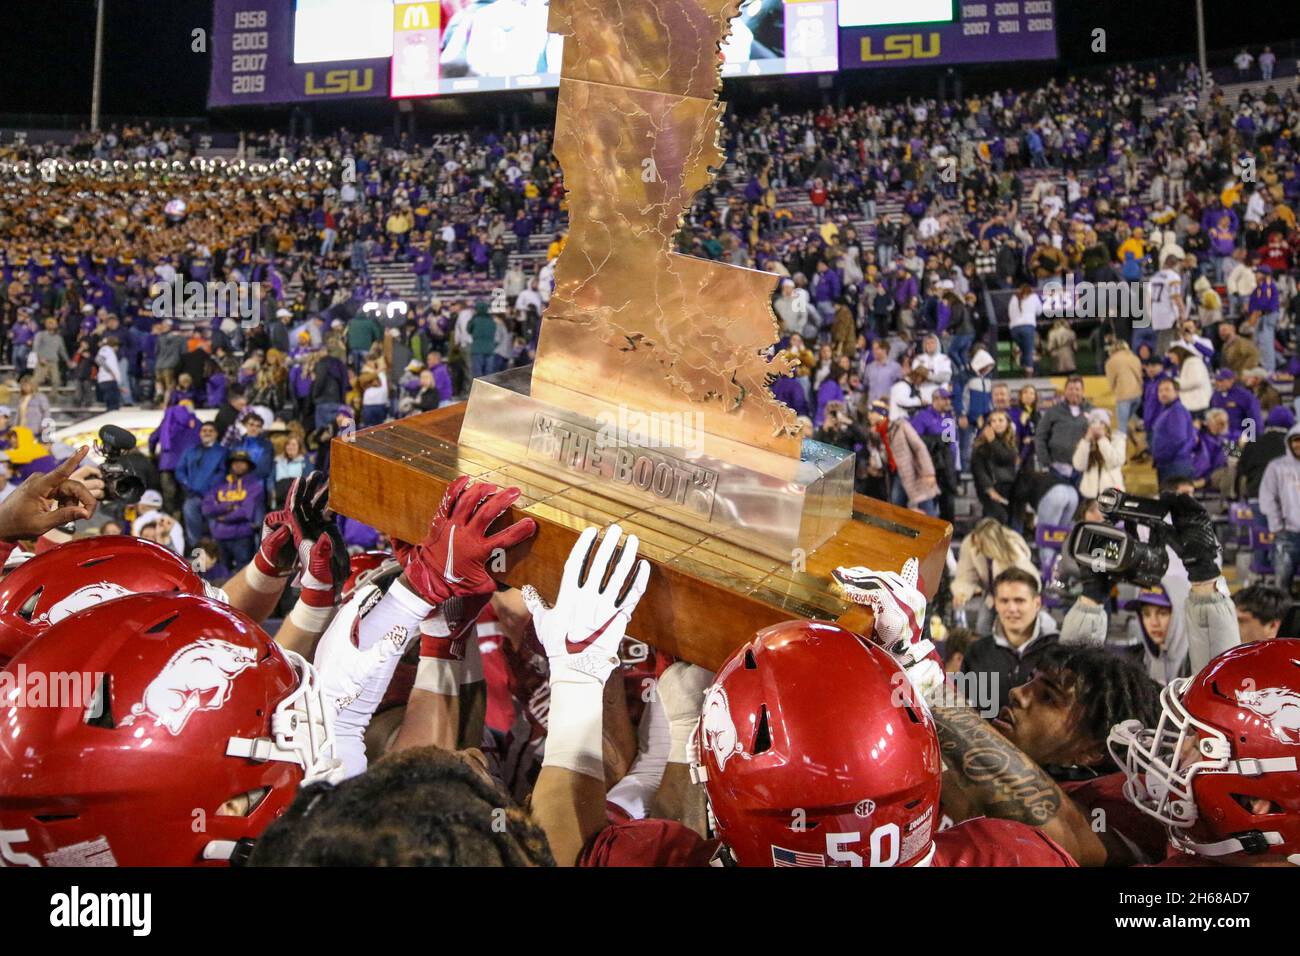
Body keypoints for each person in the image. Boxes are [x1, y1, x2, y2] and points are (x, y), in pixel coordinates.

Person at [951, 518, 1039, 635]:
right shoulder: (970, 544)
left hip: (1013, 597)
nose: (978, 548)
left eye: (981, 545)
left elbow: (1029, 581)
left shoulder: (1014, 551)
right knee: (982, 626)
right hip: (991, 595)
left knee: (1010, 631)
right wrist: (962, 592)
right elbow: (966, 574)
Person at [201, 450, 265, 570]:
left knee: (242, 575)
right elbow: (206, 508)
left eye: (242, 462)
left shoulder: (255, 486)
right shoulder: (220, 485)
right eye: (235, 462)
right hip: (219, 536)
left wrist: (221, 517)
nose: (238, 464)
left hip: (242, 536)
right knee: (222, 575)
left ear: (249, 465)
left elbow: (245, 512)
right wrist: (227, 506)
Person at [1258, 423, 1300, 592]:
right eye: (1295, 440)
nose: (1298, 444)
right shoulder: (1276, 466)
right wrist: (1276, 526)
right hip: (1286, 535)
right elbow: (1267, 497)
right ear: (1289, 443)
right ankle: (1281, 618)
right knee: (1281, 585)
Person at [176, 422, 228, 547]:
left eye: (210, 430)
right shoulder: (190, 451)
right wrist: (187, 484)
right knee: (192, 527)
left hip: (213, 497)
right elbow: (180, 470)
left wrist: (209, 489)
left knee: (215, 529)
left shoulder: (223, 452)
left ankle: (216, 554)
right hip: (192, 496)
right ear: (200, 433)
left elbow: (223, 473)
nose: (207, 433)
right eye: (204, 430)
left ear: (216, 434)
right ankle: (196, 553)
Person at [887, 407, 939, 516]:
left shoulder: (902, 426)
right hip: (900, 474)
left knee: (927, 511)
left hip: (916, 474)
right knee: (897, 509)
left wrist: (929, 472)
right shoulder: (887, 431)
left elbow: (920, 447)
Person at [970, 409, 1018, 522]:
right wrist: (990, 491)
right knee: (998, 517)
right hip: (989, 488)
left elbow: (1006, 458)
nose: (997, 423)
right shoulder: (980, 445)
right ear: (989, 424)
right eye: (994, 421)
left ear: (1007, 423)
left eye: (1001, 420)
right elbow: (978, 470)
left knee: (1008, 520)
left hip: (1008, 487)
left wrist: (993, 442)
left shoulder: (1011, 443)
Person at [1150, 377, 1196, 483]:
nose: (1163, 393)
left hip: (1175, 465)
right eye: (1160, 390)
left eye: (1167, 390)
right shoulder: (1167, 410)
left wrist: (1163, 457)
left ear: (1176, 392)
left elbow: (1178, 439)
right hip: (1170, 464)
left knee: (1173, 499)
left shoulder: (1176, 411)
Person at [1071, 408, 1125, 499]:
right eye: (1093, 423)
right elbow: (1079, 466)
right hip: (1089, 495)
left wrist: (1102, 439)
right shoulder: (1085, 442)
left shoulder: (1118, 439)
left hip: (1113, 494)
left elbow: (1115, 462)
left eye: (1101, 423)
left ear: (1107, 425)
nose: (1097, 427)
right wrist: (1086, 441)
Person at [1007, 283, 1042, 375]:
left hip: (1014, 329)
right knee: (1029, 351)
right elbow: (1039, 311)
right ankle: (1029, 375)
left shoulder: (1014, 298)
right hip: (1027, 327)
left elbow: (1009, 313)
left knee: (1024, 350)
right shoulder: (1034, 297)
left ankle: (1023, 367)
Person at [1166, 343, 1210, 414]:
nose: (1172, 361)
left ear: (1178, 354)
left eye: (1172, 358)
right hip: (1191, 404)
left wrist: (1175, 384)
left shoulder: (1193, 362)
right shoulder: (1186, 364)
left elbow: (1196, 381)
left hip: (1197, 405)